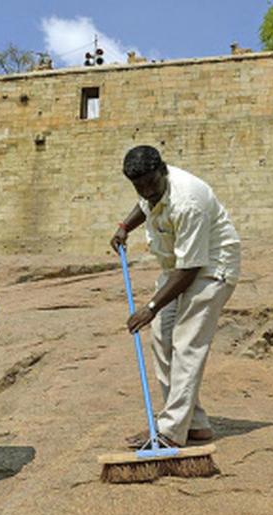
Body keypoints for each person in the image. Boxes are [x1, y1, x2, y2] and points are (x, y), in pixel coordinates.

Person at [109, 145, 240, 448]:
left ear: (163, 170)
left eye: (151, 186)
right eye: (139, 188)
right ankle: (192, 422)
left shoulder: (187, 202)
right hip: (178, 266)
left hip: (211, 267)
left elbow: (192, 267)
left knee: (187, 342)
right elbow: (145, 204)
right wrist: (124, 227)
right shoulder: (150, 188)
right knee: (161, 336)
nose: (147, 193)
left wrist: (151, 306)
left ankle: (170, 431)